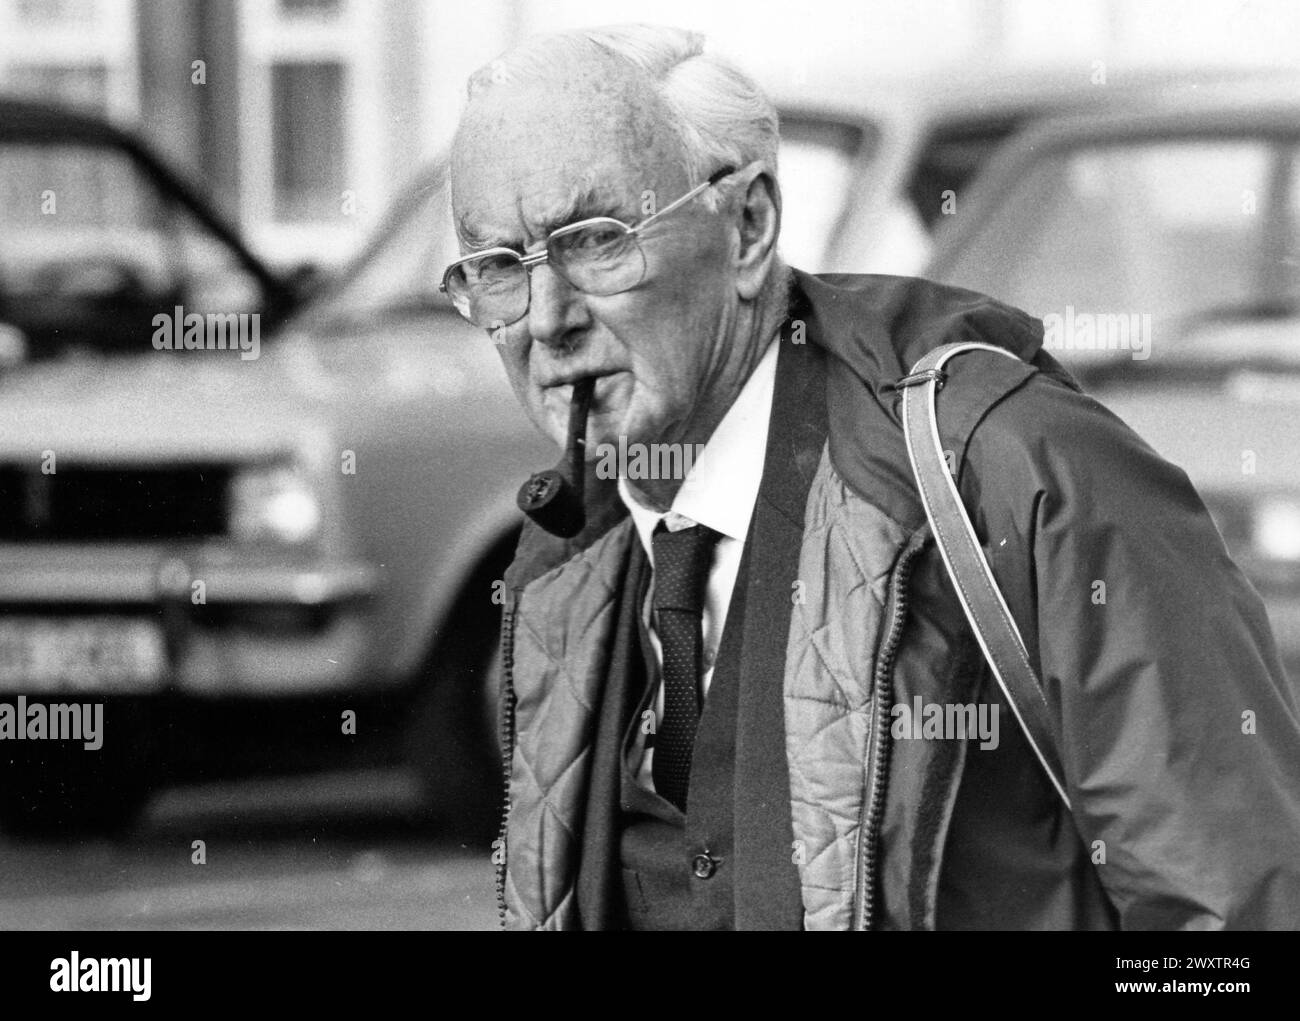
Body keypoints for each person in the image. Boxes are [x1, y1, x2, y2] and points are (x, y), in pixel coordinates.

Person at [443, 23, 1300, 930]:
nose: (546, 319)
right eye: (498, 267)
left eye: (595, 240)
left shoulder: (1010, 468)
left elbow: (1231, 930)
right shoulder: (565, 562)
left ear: (748, 225)